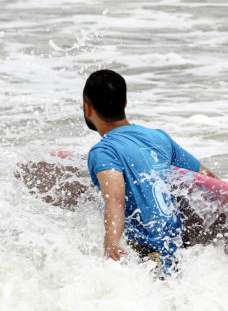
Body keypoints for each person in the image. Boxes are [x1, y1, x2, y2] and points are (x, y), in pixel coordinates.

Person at [84, 69, 215, 272]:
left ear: (87, 108)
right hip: (180, 249)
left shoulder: (104, 151)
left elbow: (115, 199)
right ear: (125, 104)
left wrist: (111, 243)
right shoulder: (159, 138)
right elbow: (206, 179)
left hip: (146, 256)